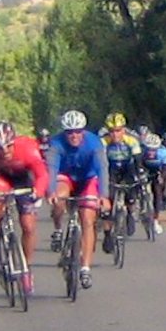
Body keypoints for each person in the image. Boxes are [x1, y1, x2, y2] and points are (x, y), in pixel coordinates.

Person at [0, 122, 50, 294]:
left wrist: (38, 192)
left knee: (28, 225)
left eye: (8, 146)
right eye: (0, 148)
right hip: (0, 177)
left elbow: (42, 174)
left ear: (14, 142)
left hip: (23, 179)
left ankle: (26, 268)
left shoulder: (28, 147)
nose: (5, 152)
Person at [45, 110, 111, 289]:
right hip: (66, 177)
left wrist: (103, 196)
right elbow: (51, 169)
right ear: (64, 132)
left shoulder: (94, 143)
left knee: (88, 219)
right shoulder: (56, 143)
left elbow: (102, 169)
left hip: (88, 178)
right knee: (59, 197)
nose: (74, 136)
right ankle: (58, 229)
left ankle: (85, 268)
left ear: (83, 131)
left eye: (78, 131)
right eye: (69, 132)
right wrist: (50, 192)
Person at [101, 111, 144, 252]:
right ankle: (107, 234)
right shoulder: (103, 141)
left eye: (118, 131)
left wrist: (140, 174)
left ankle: (130, 212)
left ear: (123, 130)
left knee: (132, 190)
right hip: (110, 169)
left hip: (127, 169)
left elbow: (138, 161)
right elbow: (98, 161)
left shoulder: (132, 141)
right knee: (107, 206)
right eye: (112, 131)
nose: (115, 135)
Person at [140, 132, 166, 233]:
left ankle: (155, 220)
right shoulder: (141, 151)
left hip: (157, 171)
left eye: (154, 149)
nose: (151, 152)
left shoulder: (163, 152)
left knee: (158, 194)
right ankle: (141, 205)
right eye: (149, 149)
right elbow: (137, 163)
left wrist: (162, 176)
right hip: (144, 168)